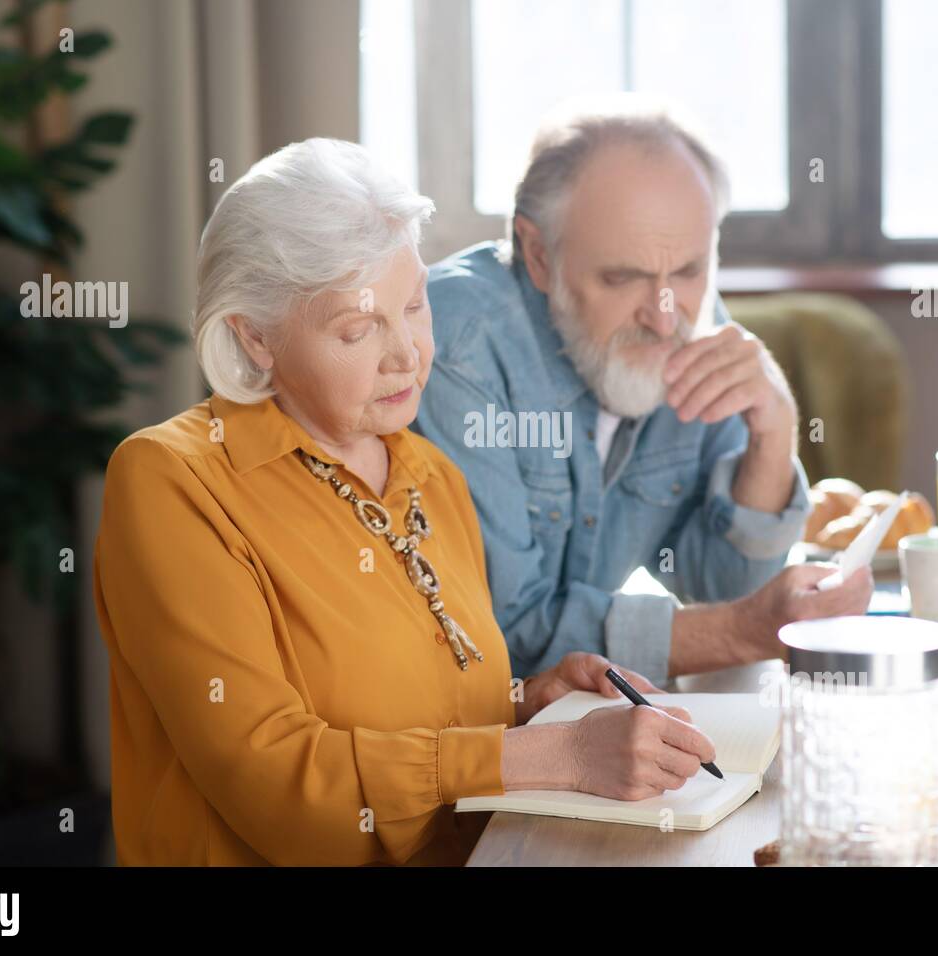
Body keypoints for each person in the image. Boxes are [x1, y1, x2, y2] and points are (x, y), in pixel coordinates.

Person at [92, 138, 715, 866]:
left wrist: (529, 702)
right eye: (358, 329)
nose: (408, 353)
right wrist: (547, 756)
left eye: (415, 305)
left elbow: (413, 714)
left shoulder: (430, 474)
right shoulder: (172, 482)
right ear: (254, 338)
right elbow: (280, 792)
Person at [414, 97, 873, 684]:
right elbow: (501, 637)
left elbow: (728, 589)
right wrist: (741, 630)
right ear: (537, 255)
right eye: (622, 277)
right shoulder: (455, 346)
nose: (662, 318)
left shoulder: (691, 326)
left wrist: (773, 435)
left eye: (687, 271)